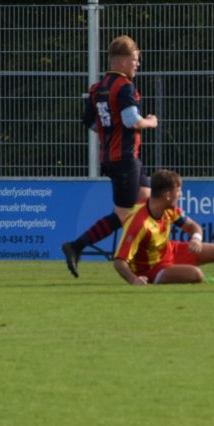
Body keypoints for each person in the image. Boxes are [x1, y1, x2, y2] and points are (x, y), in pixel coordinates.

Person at [63, 34, 159, 276]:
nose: (137, 64)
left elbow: (89, 121)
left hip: (116, 157)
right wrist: (150, 122)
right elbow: (130, 121)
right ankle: (76, 246)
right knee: (123, 214)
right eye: (135, 59)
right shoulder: (125, 86)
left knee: (148, 201)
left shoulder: (98, 88)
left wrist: (108, 134)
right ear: (123, 61)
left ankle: (150, 258)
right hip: (124, 158)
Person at [113, 169, 214, 286]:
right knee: (196, 274)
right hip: (151, 269)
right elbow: (119, 261)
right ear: (167, 195)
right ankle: (195, 278)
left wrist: (196, 239)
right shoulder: (140, 222)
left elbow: (193, 227)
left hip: (170, 251)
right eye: (179, 191)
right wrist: (134, 280)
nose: (181, 194)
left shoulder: (168, 210)